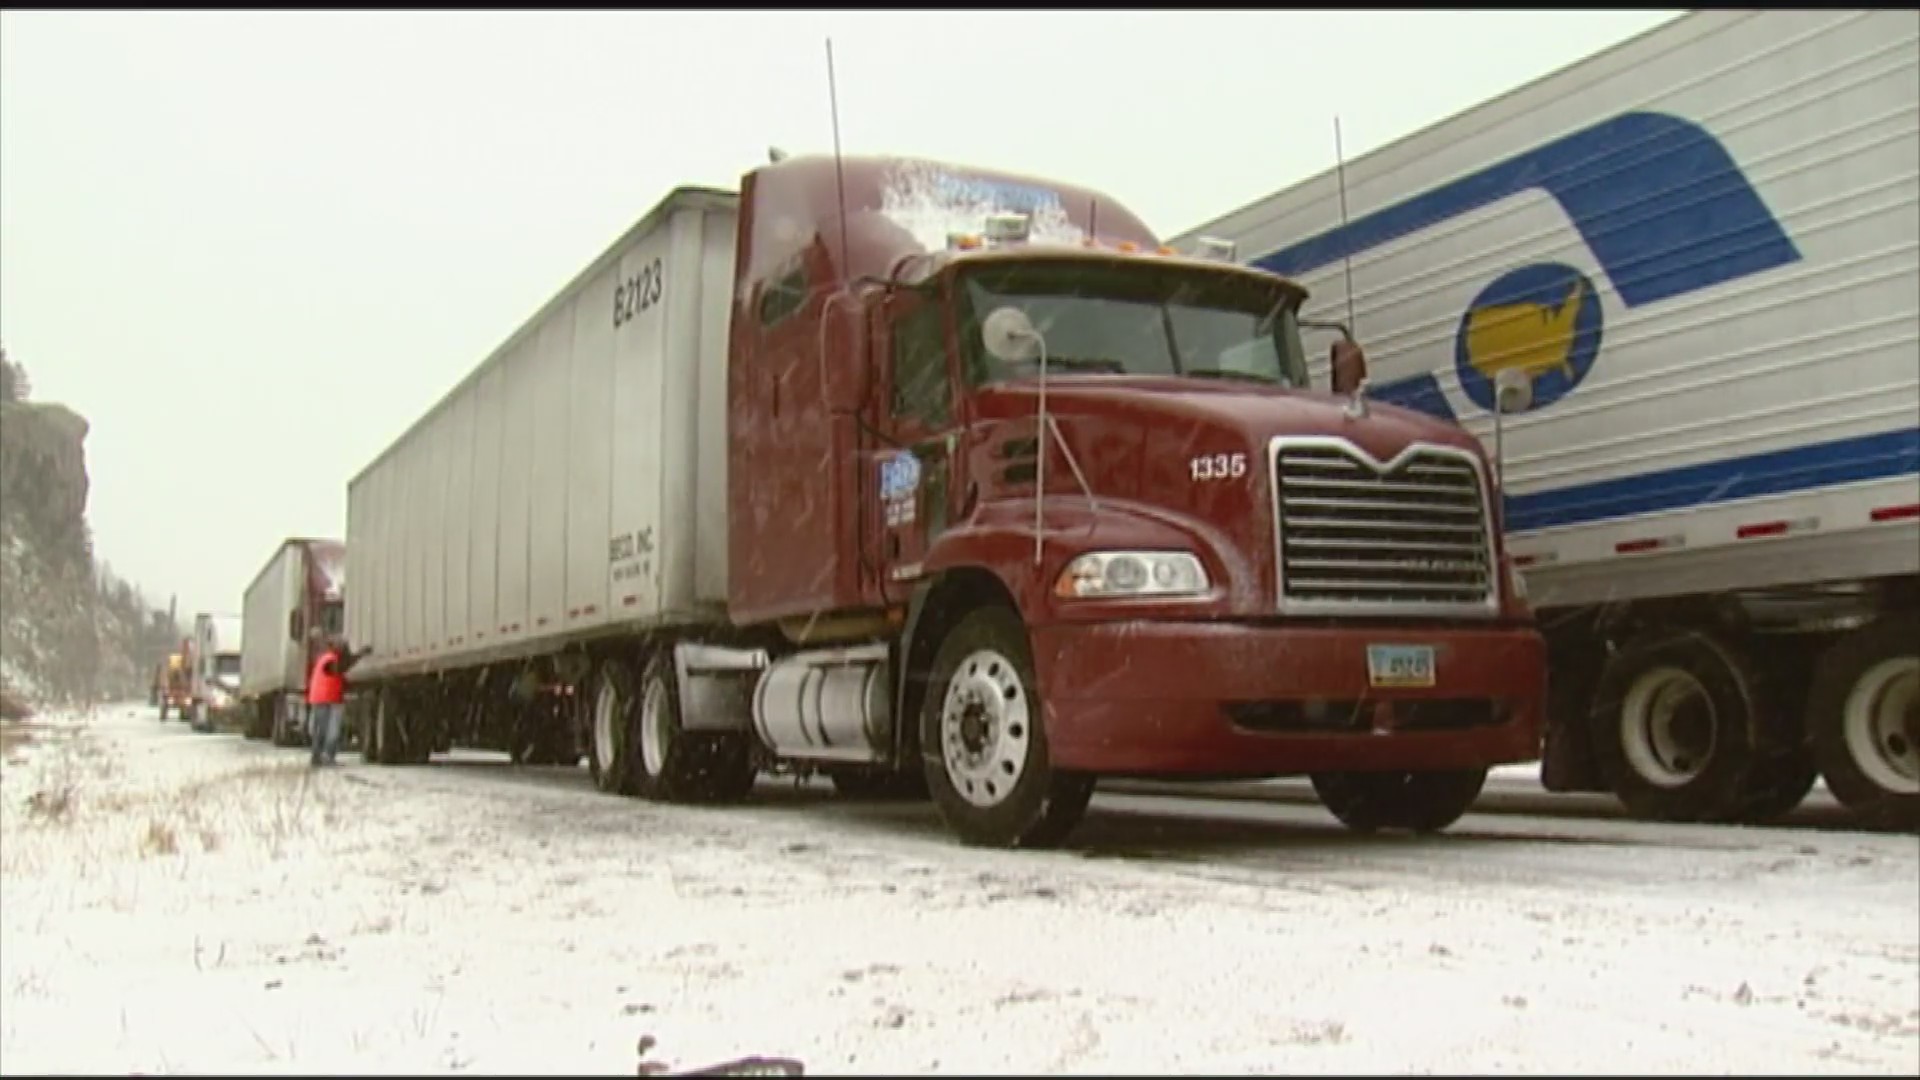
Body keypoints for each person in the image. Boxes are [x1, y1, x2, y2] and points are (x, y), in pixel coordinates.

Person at [308, 636, 370, 767]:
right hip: (329, 699)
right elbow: (342, 667)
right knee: (331, 730)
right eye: (344, 646)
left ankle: (317, 756)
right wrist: (360, 654)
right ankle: (326, 756)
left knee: (321, 729)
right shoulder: (331, 659)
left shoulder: (325, 658)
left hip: (322, 698)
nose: (345, 648)